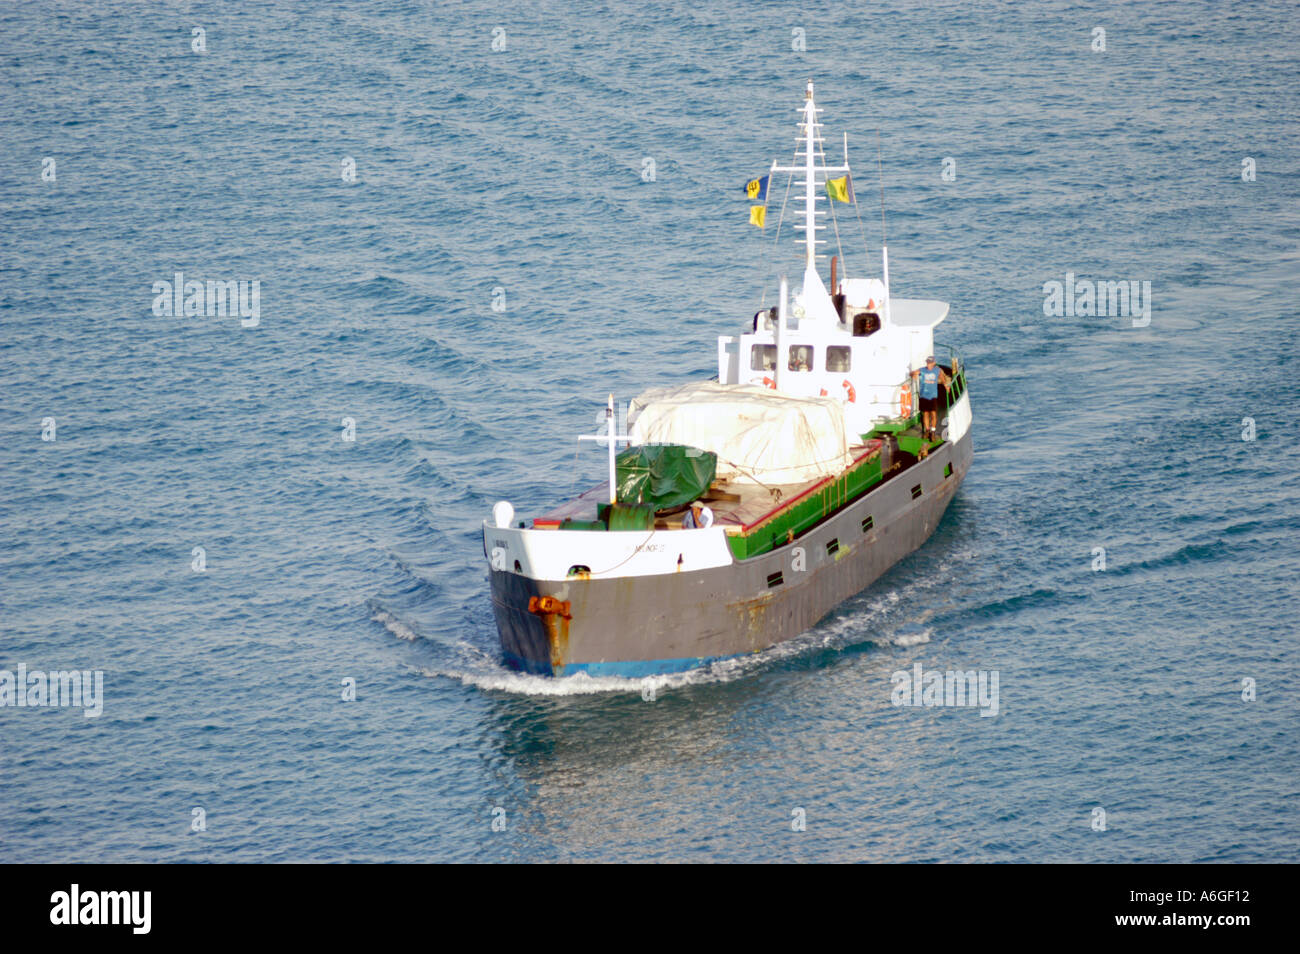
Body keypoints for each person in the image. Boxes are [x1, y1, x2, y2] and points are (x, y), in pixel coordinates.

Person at [911, 355, 951, 441]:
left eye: (930, 363)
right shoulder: (922, 370)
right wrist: (913, 374)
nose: (928, 364)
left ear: (934, 363)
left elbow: (942, 378)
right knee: (925, 413)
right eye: (927, 363)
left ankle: (933, 431)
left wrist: (946, 386)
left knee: (933, 413)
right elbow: (914, 373)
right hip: (923, 395)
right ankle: (927, 430)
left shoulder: (937, 370)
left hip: (933, 396)